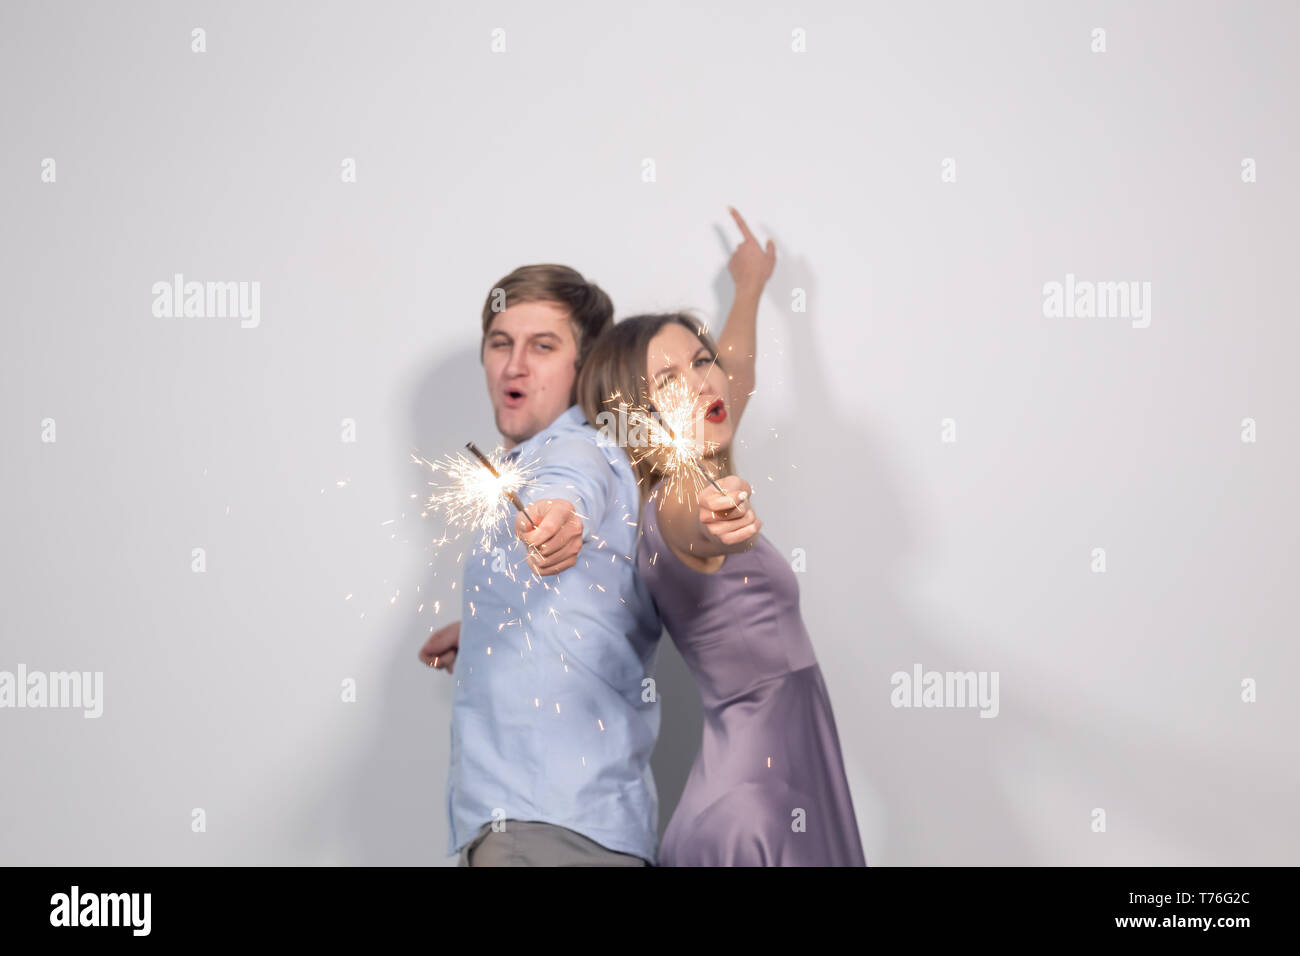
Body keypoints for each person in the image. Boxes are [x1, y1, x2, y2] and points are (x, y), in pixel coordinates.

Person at [421, 245, 767, 865]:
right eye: (501, 343)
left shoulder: (582, 449)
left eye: (543, 346)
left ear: (585, 367)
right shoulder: (613, 457)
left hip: (543, 829)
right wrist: (484, 628)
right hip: (572, 828)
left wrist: (561, 518)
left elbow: (569, 490)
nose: (515, 366)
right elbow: (732, 381)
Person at [577, 210, 867, 865]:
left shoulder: (698, 452)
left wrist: (751, 284)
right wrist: (717, 517)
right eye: (668, 380)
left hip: (788, 772)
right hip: (752, 805)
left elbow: (737, 367)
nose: (704, 380)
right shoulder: (673, 502)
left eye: (700, 361)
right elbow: (696, 522)